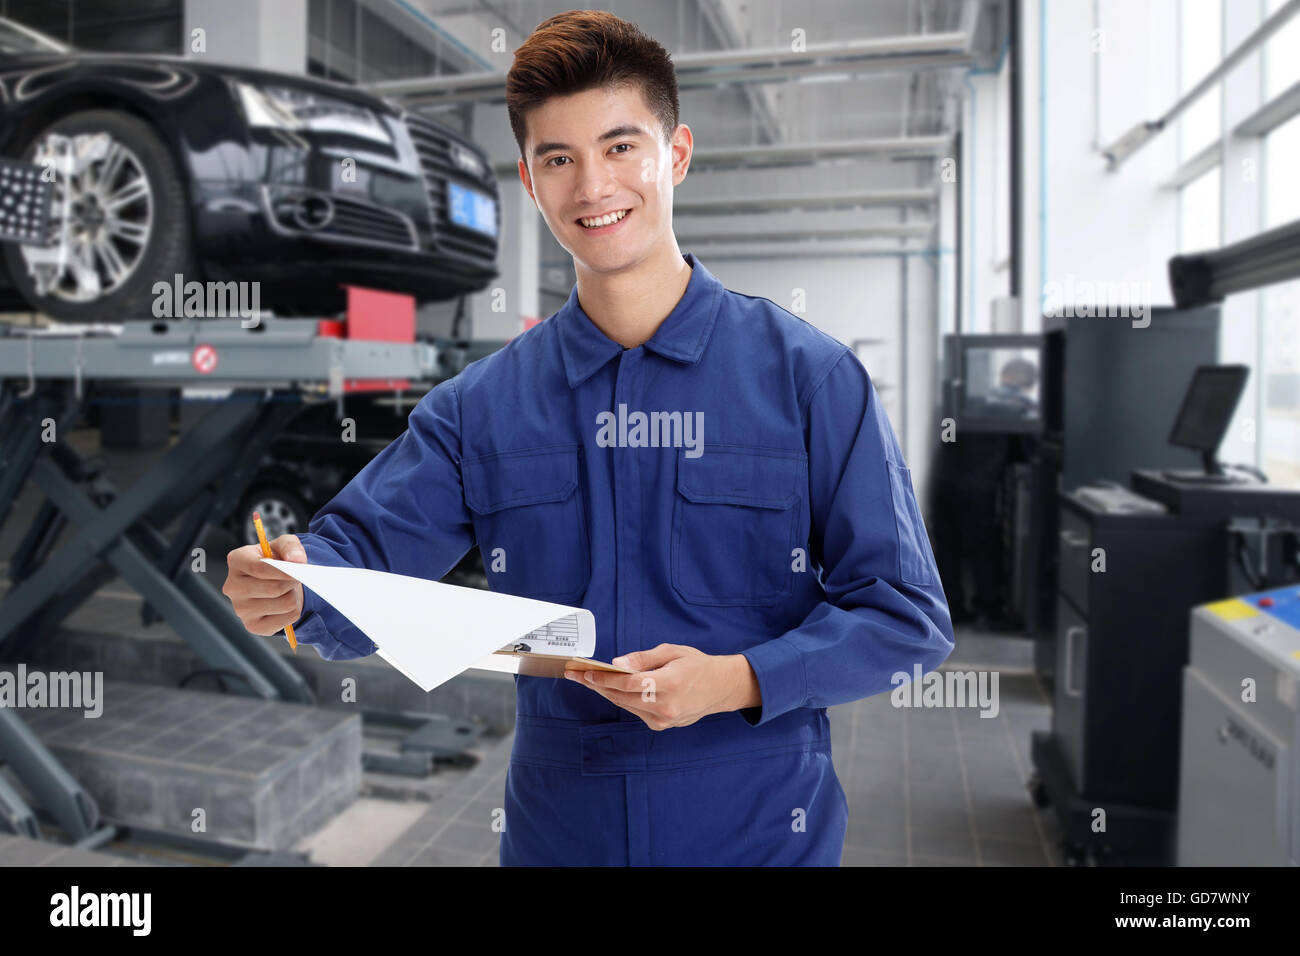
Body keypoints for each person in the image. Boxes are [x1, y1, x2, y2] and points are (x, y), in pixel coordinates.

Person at [222, 9, 954, 866]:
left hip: (758, 826)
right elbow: (361, 553)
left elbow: (905, 615)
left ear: (675, 154)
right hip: (561, 830)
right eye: (557, 159)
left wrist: (735, 681)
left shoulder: (810, 381)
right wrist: (298, 584)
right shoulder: (483, 405)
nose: (593, 187)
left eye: (620, 147)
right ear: (530, 184)